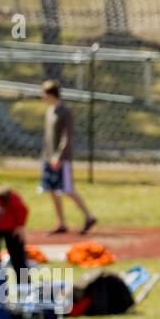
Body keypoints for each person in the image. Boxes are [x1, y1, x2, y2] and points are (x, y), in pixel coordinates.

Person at [40, 80, 96, 235]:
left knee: (67, 189)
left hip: (61, 159)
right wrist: (48, 155)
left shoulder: (65, 111)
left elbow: (67, 136)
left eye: (43, 93)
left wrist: (59, 156)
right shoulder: (50, 111)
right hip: (48, 157)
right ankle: (61, 223)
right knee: (52, 190)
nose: (42, 96)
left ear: (51, 94)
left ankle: (89, 217)